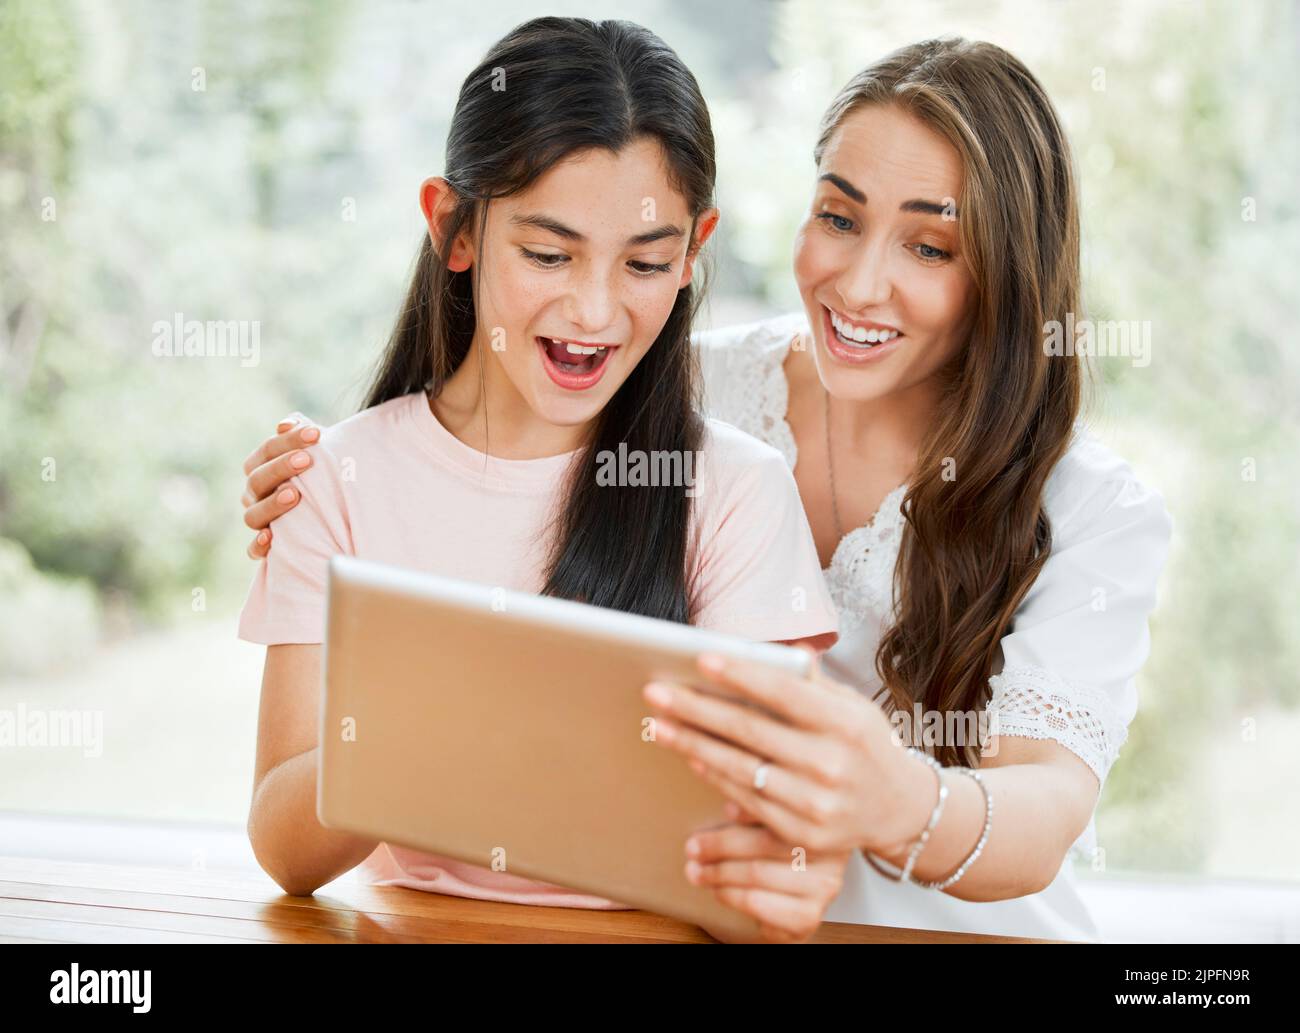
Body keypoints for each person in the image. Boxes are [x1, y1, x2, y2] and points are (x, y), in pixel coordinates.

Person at [242, 37, 1173, 942]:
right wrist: (318, 486)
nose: (860, 281)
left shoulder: (1088, 509)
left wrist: (897, 798)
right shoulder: (656, 376)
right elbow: (498, 417)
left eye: (930, 247)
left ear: (1006, 273)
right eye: (839, 218)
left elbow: (1044, 802)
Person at [237, 16, 845, 945]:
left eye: (645, 262)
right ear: (455, 228)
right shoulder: (337, 477)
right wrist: (436, 729)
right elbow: (286, 848)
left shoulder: (735, 492)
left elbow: (780, 868)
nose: (595, 310)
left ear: (693, 252)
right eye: (549, 254)